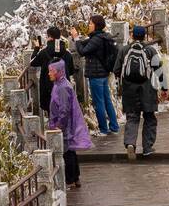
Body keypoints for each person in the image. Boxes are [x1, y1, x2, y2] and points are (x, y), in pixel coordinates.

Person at [114, 24, 169, 159]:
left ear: (132, 36)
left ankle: (130, 143)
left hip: (129, 91)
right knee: (149, 118)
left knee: (132, 117)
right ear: (144, 36)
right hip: (148, 90)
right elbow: (159, 71)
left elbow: (116, 70)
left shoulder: (124, 50)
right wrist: (164, 88)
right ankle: (147, 148)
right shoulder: (150, 51)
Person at [46, 59, 92, 187]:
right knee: (70, 151)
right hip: (64, 125)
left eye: (51, 71)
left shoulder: (62, 87)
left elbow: (64, 109)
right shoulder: (60, 84)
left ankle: (70, 179)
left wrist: (59, 125)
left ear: (59, 72)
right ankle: (75, 178)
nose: (49, 73)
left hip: (64, 126)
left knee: (66, 152)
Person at [74, 15, 119, 136]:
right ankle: (114, 126)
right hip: (104, 73)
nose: (88, 25)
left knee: (99, 102)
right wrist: (79, 40)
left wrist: (76, 38)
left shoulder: (96, 39)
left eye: (90, 23)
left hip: (96, 74)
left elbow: (82, 51)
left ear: (96, 25)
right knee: (107, 100)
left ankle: (104, 129)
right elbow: (86, 43)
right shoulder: (103, 36)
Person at [29, 26, 75, 113]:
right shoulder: (67, 53)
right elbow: (71, 71)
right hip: (64, 89)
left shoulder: (43, 53)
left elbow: (32, 62)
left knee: (52, 112)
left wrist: (36, 49)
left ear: (50, 37)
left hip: (48, 89)